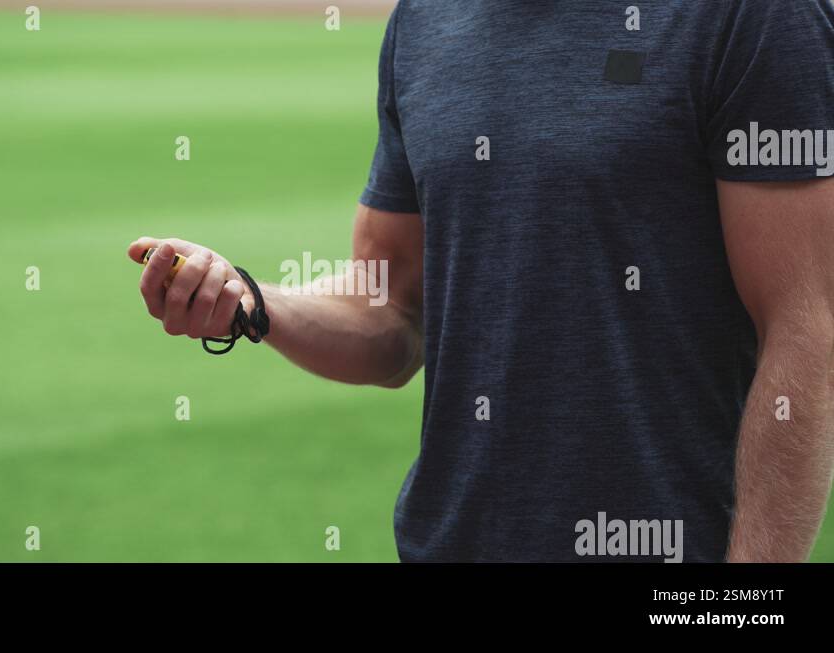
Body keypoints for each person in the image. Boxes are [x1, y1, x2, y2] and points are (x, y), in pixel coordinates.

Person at [128, 0, 834, 562]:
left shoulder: (756, 13)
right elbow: (392, 311)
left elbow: (804, 327)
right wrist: (255, 302)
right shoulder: (427, 19)